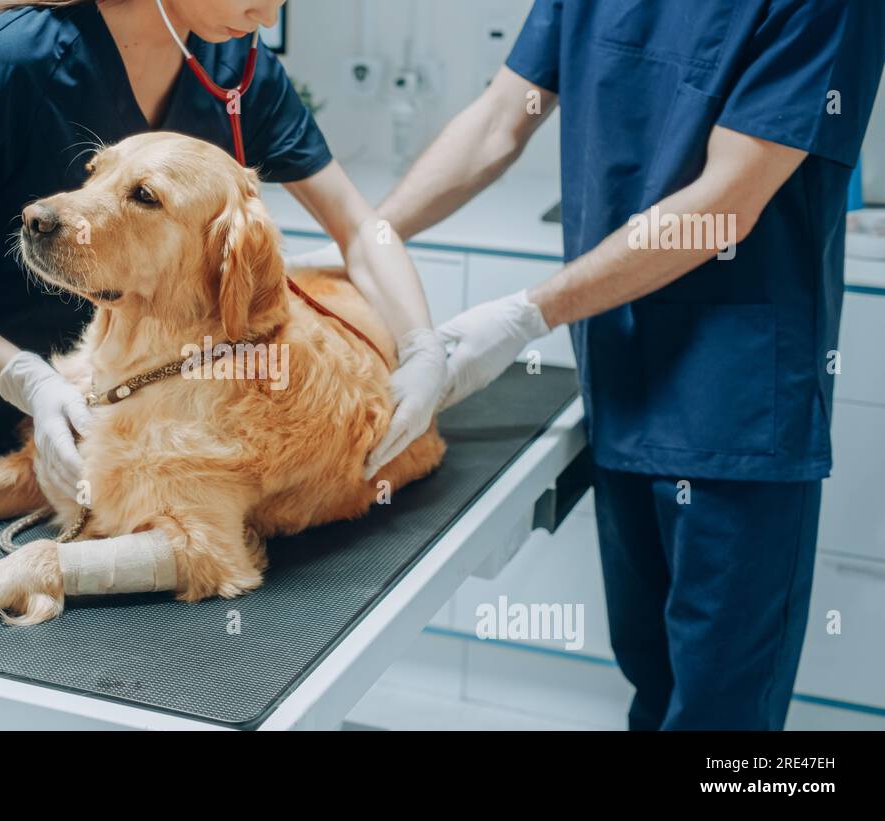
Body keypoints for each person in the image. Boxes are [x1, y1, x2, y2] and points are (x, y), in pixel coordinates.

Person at [0, 0, 446, 730]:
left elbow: (360, 226)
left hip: (69, 424)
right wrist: (29, 380)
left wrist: (423, 348)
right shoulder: (11, 63)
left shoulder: (236, 65)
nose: (266, 12)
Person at [354, 0, 882, 729]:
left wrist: (527, 312)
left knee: (722, 717)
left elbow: (725, 205)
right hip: (624, 381)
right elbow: (501, 116)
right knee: (651, 677)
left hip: (738, 408)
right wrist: (367, 240)